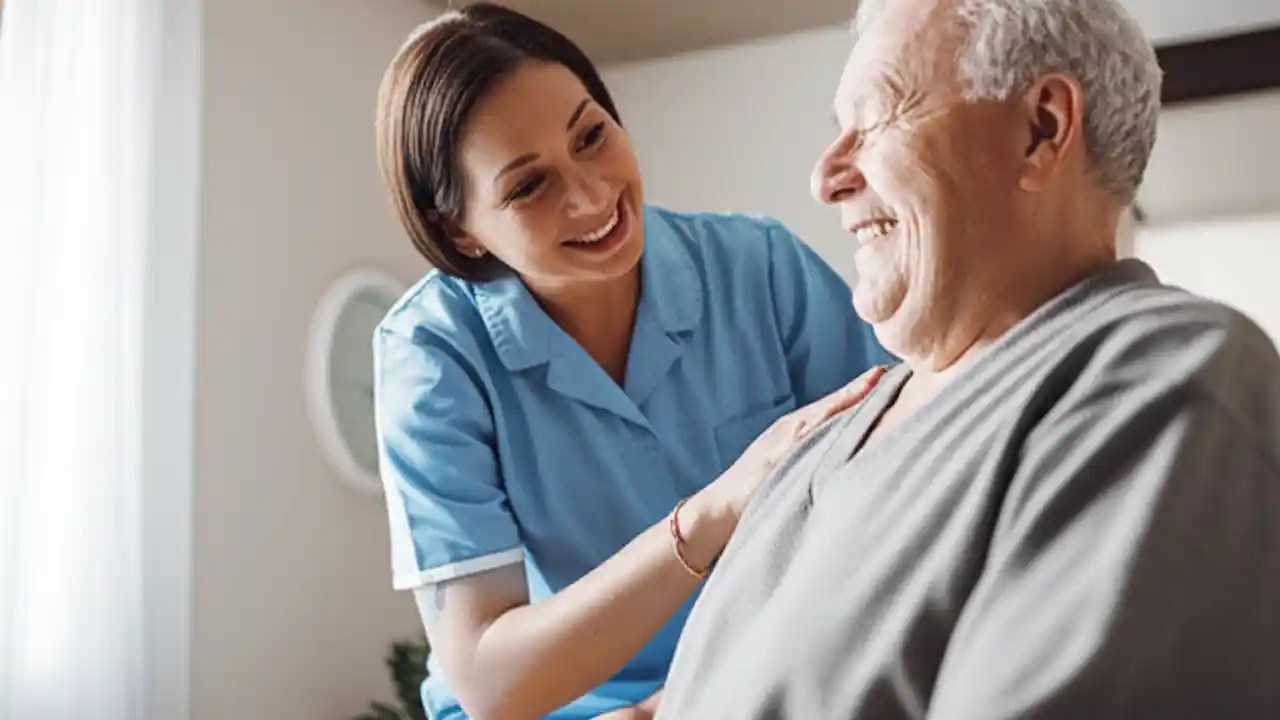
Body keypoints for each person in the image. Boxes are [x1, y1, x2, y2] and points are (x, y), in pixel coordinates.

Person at [656, 0, 1280, 717]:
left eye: (877, 117)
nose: (825, 178)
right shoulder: (825, 435)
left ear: (1040, 130)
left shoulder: (1166, 378)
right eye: (838, 133)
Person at [371, 4, 892, 719]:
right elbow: (491, 682)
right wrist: (715, 510)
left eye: (591, 136)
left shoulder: (762, 270)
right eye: (529, 185)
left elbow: (892, 488)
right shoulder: (432, 356)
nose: (590, 196)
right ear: (458, 230)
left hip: (762, 677)